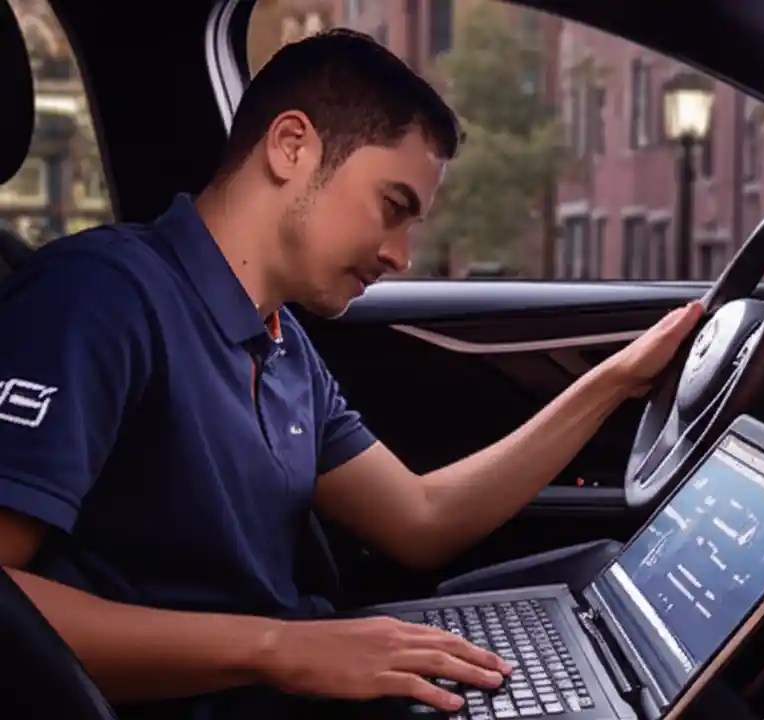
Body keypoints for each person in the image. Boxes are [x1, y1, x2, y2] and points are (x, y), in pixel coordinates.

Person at [0, 29, 702, 719]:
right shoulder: (98, 297)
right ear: (291, 146)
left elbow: (421, 519)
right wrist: (283, 648)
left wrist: (615, 382)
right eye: (393, 209)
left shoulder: (283, 343)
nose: (400, 254)